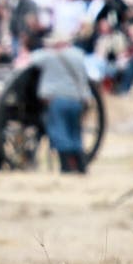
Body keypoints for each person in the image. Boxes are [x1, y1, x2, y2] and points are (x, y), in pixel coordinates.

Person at [30, 31, 92, 173]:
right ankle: (81, 165)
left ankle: (66, 166)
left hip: (57, 99)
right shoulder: (79, 55)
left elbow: (31, 59)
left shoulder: (49, 56)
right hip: (77, 99)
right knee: (75, 132)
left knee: (60, 132)